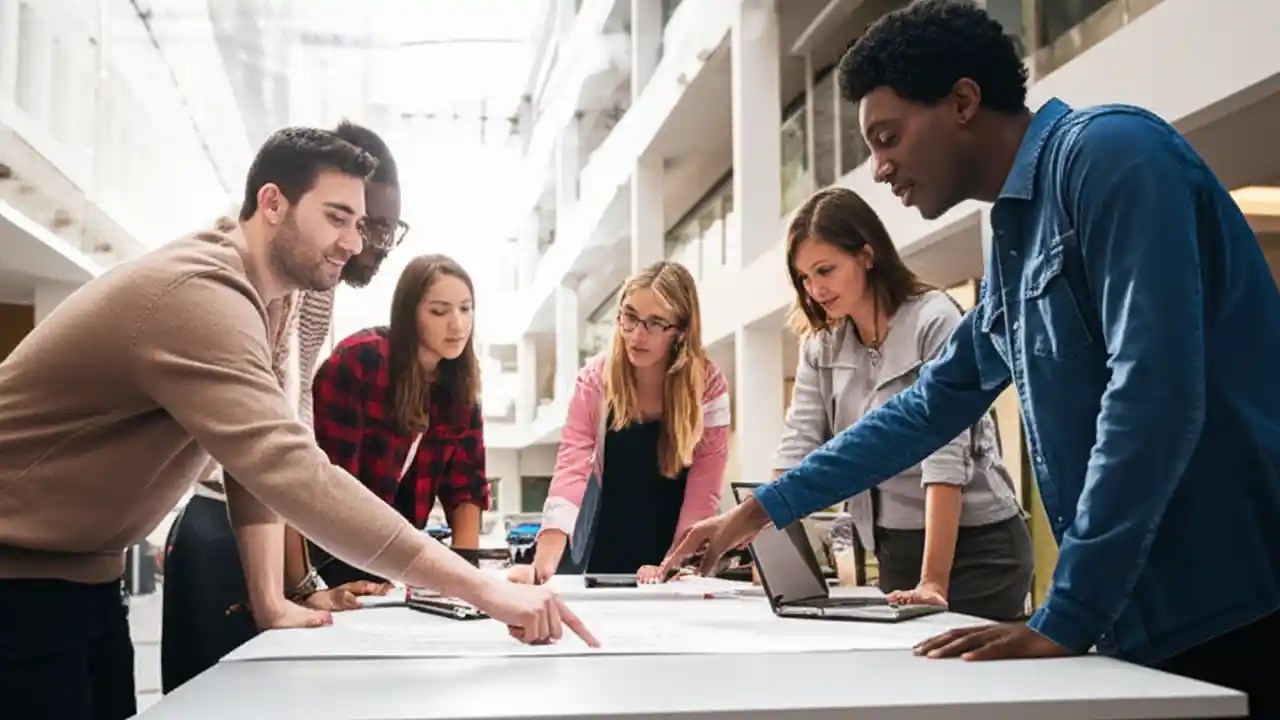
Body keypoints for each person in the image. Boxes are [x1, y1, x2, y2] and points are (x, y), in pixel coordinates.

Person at [663, 1, 1279, 716]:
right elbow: (927, 408)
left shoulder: (1112, 155)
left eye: (888, 138)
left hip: (1240, 601)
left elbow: (1153, 394)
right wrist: (759, 511)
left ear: (962, 101)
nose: (880, 169)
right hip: (1141, 615)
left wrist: (1067, 613)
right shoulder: (1016, 236)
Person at [0, 126, 594, 720]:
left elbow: (251, 460)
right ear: (272, 203)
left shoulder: (269, 298)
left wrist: (271, 599)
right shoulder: (201, 295)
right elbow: (292, 468)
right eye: (336, 218)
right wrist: (485, 592)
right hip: (19, 573)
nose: (352, 243)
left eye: (359, 224)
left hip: (84, 575)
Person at [160, 120, 409, 694]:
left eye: (383, 229)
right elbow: (278, 446)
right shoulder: (239, 276)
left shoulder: (307, 288)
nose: (368, 244)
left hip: (251, 518)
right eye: (358, 223)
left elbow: (289, 433)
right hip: (218, 521)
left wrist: (299, 585)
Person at [776, 186, 1031, 620]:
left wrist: (933, 580)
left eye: (825, 270)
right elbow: (797, 446)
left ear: (866, 256)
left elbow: (943, 458)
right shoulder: (821, 346)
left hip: (977, 548)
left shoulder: (934, 318)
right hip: (894, 550)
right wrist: (768, 539)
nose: (815, 289)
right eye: (804, 278)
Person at [510, 261, 730, 585]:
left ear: (681, 330)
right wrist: (544, 562)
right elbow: (572, 465)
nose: (637, 334)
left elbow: (705, 487)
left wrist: (676, 564)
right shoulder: (594, 380)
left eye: (655, 323)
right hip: (608, 534)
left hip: (676, 537)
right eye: (630, 317)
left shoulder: (708, 386)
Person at [309, 254, 490, 586]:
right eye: (439, 311)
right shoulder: (360, 361)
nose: (457, 324)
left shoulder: (460, 387)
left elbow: (466, 487)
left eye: (466, 309)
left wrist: (468, 581)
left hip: (397, 564)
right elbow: (330, 482)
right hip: (329, 555)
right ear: (410, 314)